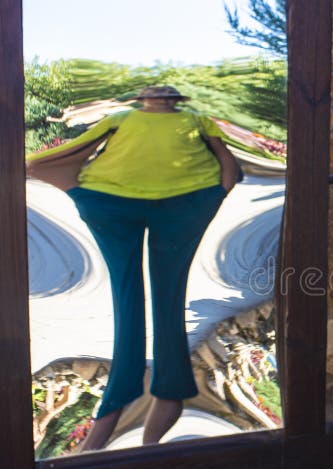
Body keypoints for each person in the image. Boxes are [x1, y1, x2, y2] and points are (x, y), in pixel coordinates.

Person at [26, 86, 240, 450]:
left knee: (156, 298)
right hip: (122, 204)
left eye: (164, 99)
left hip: (176, 204)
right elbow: (228, 166)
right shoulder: (126, 119)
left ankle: (139, 423)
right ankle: (129, 411)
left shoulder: (190, 121)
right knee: (148, 298)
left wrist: (217, 191)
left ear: (170, 101)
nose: (159, 103)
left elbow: (228, 164)